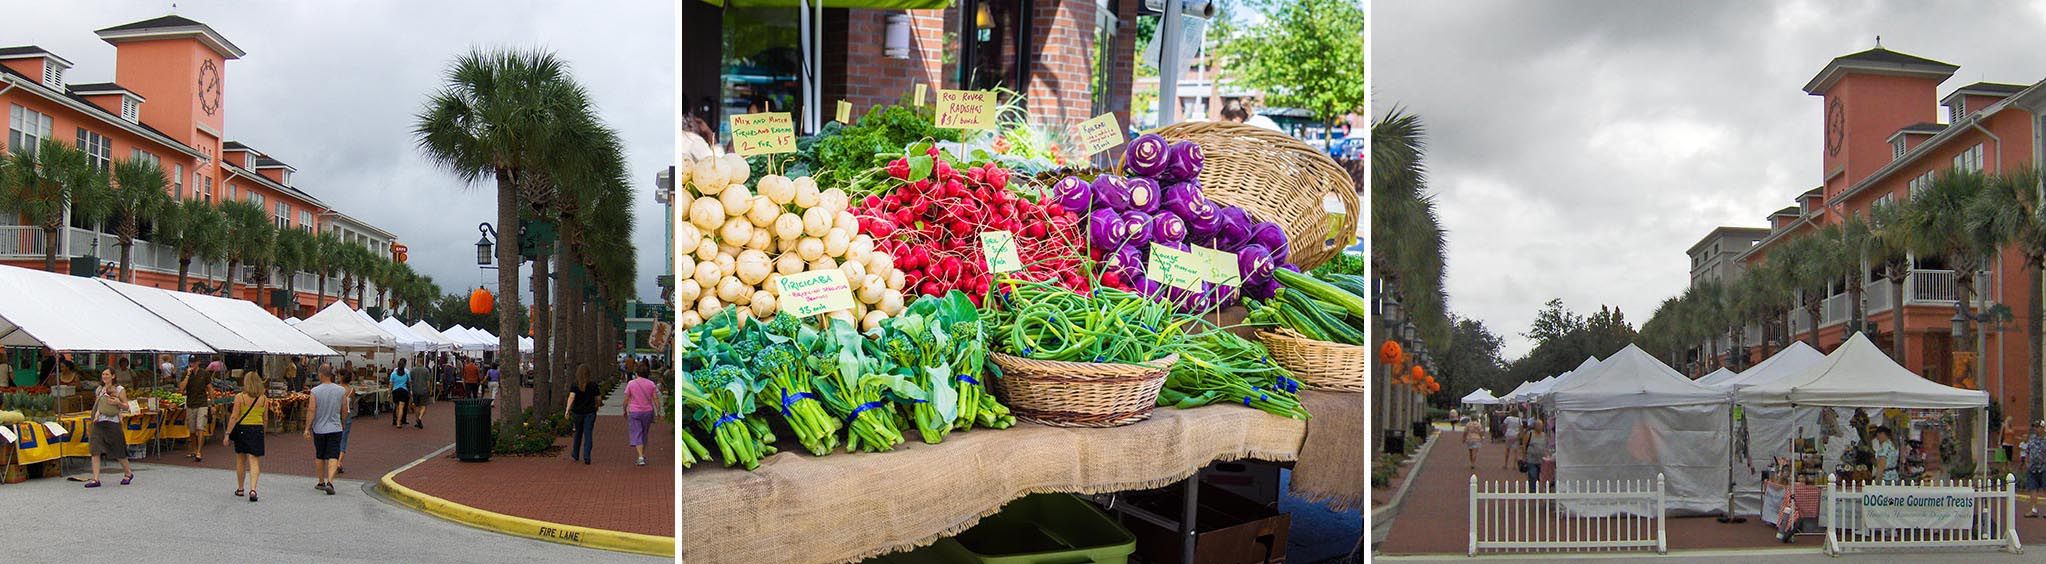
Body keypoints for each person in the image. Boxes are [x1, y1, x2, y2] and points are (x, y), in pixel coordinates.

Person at [223, 371, 269, 502]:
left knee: (241, 460)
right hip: (257, 429)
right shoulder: (264, 399)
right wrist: (263, 432)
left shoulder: (240, 397)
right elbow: (265, 419)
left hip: (243, 429)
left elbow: (234, 416)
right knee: (254, 460)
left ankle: (241, 488)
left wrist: (227, 433)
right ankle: (253, 489)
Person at [84, 369, 134, 488]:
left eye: (107, 374)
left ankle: (128, 473)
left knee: (118, 450)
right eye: (103, 374)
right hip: (99, 422)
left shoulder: (119, 390)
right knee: (95, 449)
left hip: (113, 422)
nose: (104, 376)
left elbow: (126, 407)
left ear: (113, 376)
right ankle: (95, 479)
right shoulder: (99, 390)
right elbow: (98, 406)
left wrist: (118, 403)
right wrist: (96, 415)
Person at [305, 365, 347, 495]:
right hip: (335, 427)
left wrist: (307, 427)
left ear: (321, 375)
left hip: (319, 428)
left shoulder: (315, 391)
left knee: (320, 455)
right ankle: (330, 481)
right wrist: (343, 422)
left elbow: (312, 410)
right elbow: (344, 409)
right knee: (333, 455)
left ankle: (321, 481)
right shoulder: (341, 390)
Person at [623, 365, 660, 466]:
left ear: (636, 373)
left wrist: (624, 409)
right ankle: (642, 454)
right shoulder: (651, 384)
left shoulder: (631, 383)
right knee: (644, 433)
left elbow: (626, 398)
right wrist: (659, 410)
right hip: (648, 411)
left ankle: (640, 457)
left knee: (637, 432)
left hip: (634, 411)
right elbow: (655, 398)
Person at [565, 365, 601, 465]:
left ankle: (575, 453)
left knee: (578, 433)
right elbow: (598, 398)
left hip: (577, 413)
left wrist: (567, 410)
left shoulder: (575, 385)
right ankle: (587, 456)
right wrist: (597, 406)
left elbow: (571, 397)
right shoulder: (593, 385)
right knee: (588, 434)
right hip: (590, 412)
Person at [178, 364, 213, 463]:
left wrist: (212, 403)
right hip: (190, 404)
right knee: (192, 430)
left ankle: (199, 451)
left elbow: (209, 387)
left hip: (202, 403)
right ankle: (194, 449)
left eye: (194, 362)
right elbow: (181, 389)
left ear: (198, 362)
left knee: (200, 427)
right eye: (191, 362)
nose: (192, 364)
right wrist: (188, 375)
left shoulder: (204, 373)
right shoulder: (186, 374)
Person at [2023, 421, 2046, 517]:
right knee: (2033, 489)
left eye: (2038, 427)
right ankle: (2033, 510)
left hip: (2044, 468)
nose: (2036, 429)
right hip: (2032, 468)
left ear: (2042, 428)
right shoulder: (2032, 439)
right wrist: (2026, 463)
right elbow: (2027, 451)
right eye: (2035, 427)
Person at [1522, 419, 1551, 487]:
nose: (1540, 427)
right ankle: (1533, 491)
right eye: (1538, 425)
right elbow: (1524, 445)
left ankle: (1537, 489)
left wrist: (1547, 455)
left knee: (1538, 477)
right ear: (1535, 426)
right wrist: (1524, 456)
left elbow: (1546, 446)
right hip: (1531, 460)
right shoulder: (1530, 434)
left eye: (1541, 426)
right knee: (1533, 475)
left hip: (1541, 460)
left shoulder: (1544, 435)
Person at [336, 368, 354, 475]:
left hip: (336, 414)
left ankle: (336, 461)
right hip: (347, 414)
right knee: (344, 438)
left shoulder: (336, 389)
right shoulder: (351, 390)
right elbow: (352, 403)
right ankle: (339, 462)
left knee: (335, 437)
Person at [390, 359, 414, 429]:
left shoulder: (393, 373)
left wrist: (389, 393)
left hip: (395, 391)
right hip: (404, 391)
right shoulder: (406, 374)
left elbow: (391, 384)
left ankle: (397, 420)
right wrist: (410, 392)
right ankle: (399, 422)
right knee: (401, 407)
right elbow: (409, 384)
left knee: (397, 407)